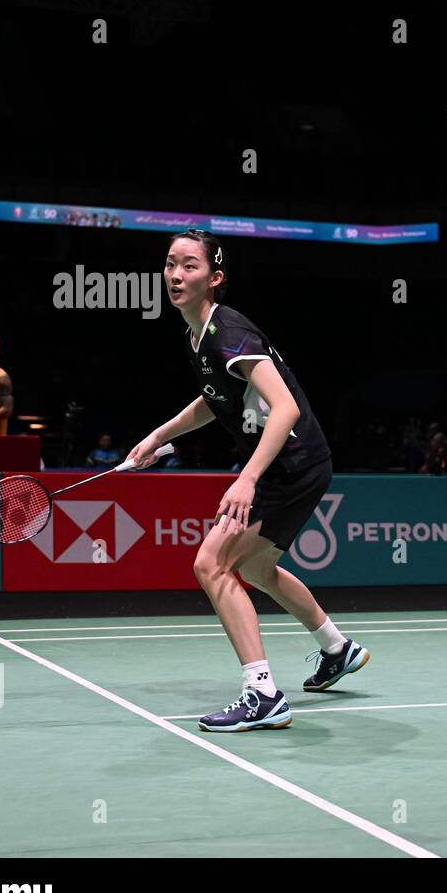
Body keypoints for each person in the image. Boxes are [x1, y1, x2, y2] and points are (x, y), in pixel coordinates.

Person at [124, 229, 368, 732]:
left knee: (210, 563)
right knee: (256, 570)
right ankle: (337, 649)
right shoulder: (198, 334)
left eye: (189, 266)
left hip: (289, 465)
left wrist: (247, 478)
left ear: (214, 278)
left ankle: (262, 694)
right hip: (294, 465)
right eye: (170, 263)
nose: (175, 274)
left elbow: (286, 407)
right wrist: (156, 437)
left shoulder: (228, 331)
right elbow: (215, 401)